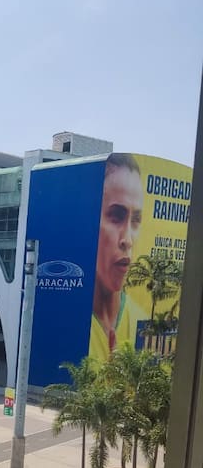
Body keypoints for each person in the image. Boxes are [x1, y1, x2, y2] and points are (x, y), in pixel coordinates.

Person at [89, 154, 149, 362]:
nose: (127, 240)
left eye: (136, 220)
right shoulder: (66, 320)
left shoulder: (143, 320)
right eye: (116, 216)